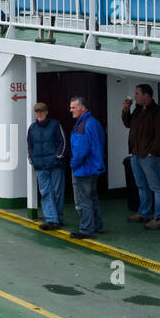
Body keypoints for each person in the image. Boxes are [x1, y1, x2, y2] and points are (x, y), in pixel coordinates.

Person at [121, 84, 160, 230]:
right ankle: (145, 213)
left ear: (146, 96)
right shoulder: (137, 109)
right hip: (136, 154)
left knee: (157, 187)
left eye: (137, 94)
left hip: (148, 157)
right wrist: (125, 110)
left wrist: (151, 152)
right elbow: (128, 123)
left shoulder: (158, 113)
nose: (135, 96)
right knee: (142, 185)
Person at [68, 96, 106, 240]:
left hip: (84, 170)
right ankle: (97, 225)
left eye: (73, 107)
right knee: (92, 199)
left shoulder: (83, 125)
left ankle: (86, 229)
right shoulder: (94, 122)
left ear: (82, 108)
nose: (70, 110)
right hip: (94, 168)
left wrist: (73, 165)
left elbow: (80, 151)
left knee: (82, 201)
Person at [27, 102, 68, 231]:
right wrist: (32, 158)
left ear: (47, 112)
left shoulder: (55, 125)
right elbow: (30, 145)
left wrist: (58, 156)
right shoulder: (32, 128)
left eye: (42, 111)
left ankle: (58, 219)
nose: (40, 113)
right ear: (35, 113)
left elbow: (63, 142)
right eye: (37, 111)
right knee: (45, 193)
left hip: (55, 165)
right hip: (40, 166)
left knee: (57, 192)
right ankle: (52, 220)